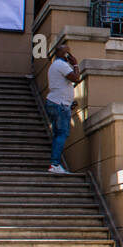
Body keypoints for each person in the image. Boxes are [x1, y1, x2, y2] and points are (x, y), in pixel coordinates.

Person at [45, 41, 80, 173]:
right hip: (60, 105)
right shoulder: (62, 65)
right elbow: (76, 78)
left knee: (57, 134)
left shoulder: (54, 65)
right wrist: (75, 63)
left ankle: (55, 164)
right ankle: (54, 164)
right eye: (68, 52)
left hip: (56, 102)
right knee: (62, 133)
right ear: (65, 54)